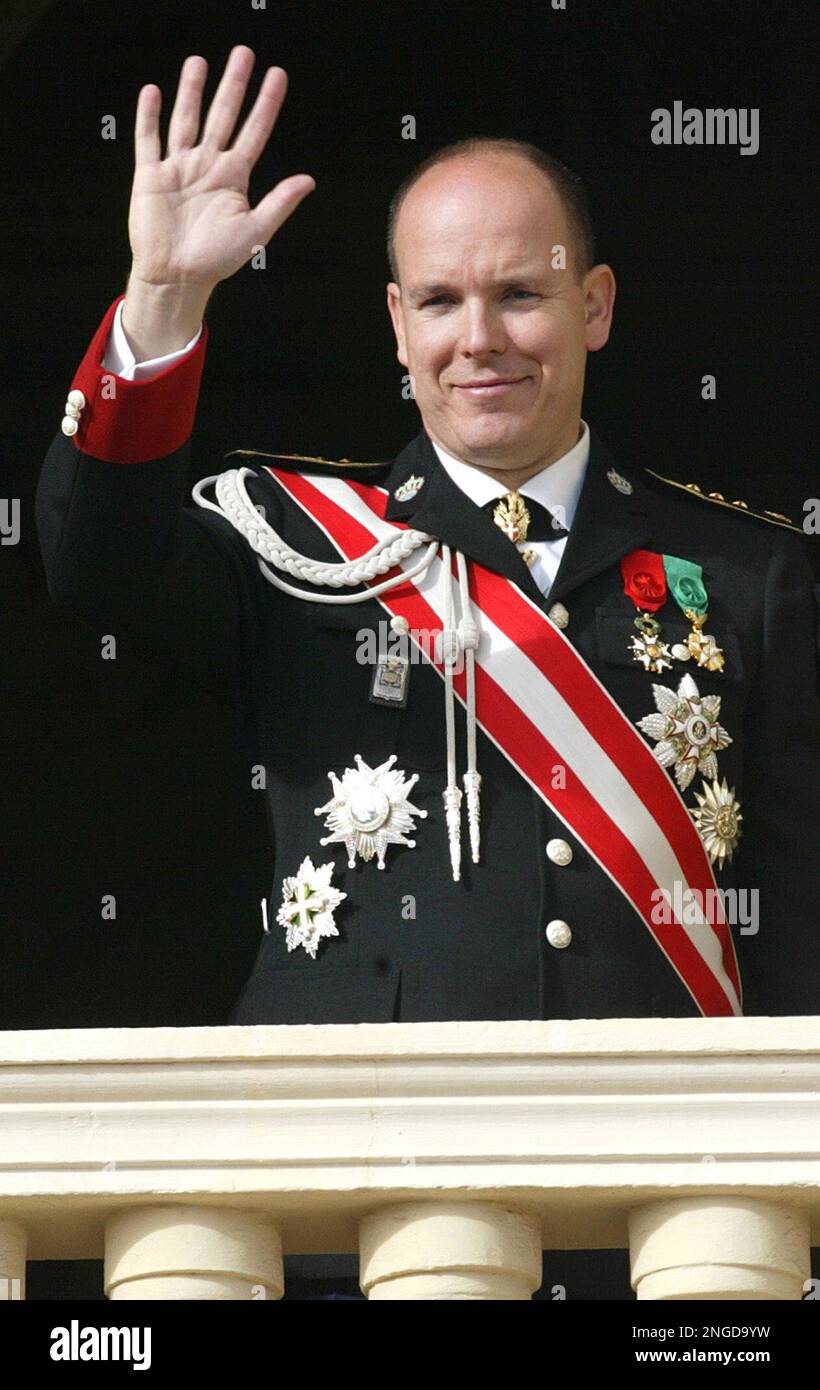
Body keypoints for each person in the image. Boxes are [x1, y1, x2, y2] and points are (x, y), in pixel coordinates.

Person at [36, 46, 820, 1030]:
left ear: (595, 307)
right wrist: (162, 297)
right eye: (442, 301)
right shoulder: (291, 539)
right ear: (399, 327)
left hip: (659, 1144)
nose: (479, 338)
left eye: (521, 295)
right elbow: (94, 566)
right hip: (348, 1140)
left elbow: (798, 927)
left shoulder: (745, 573)